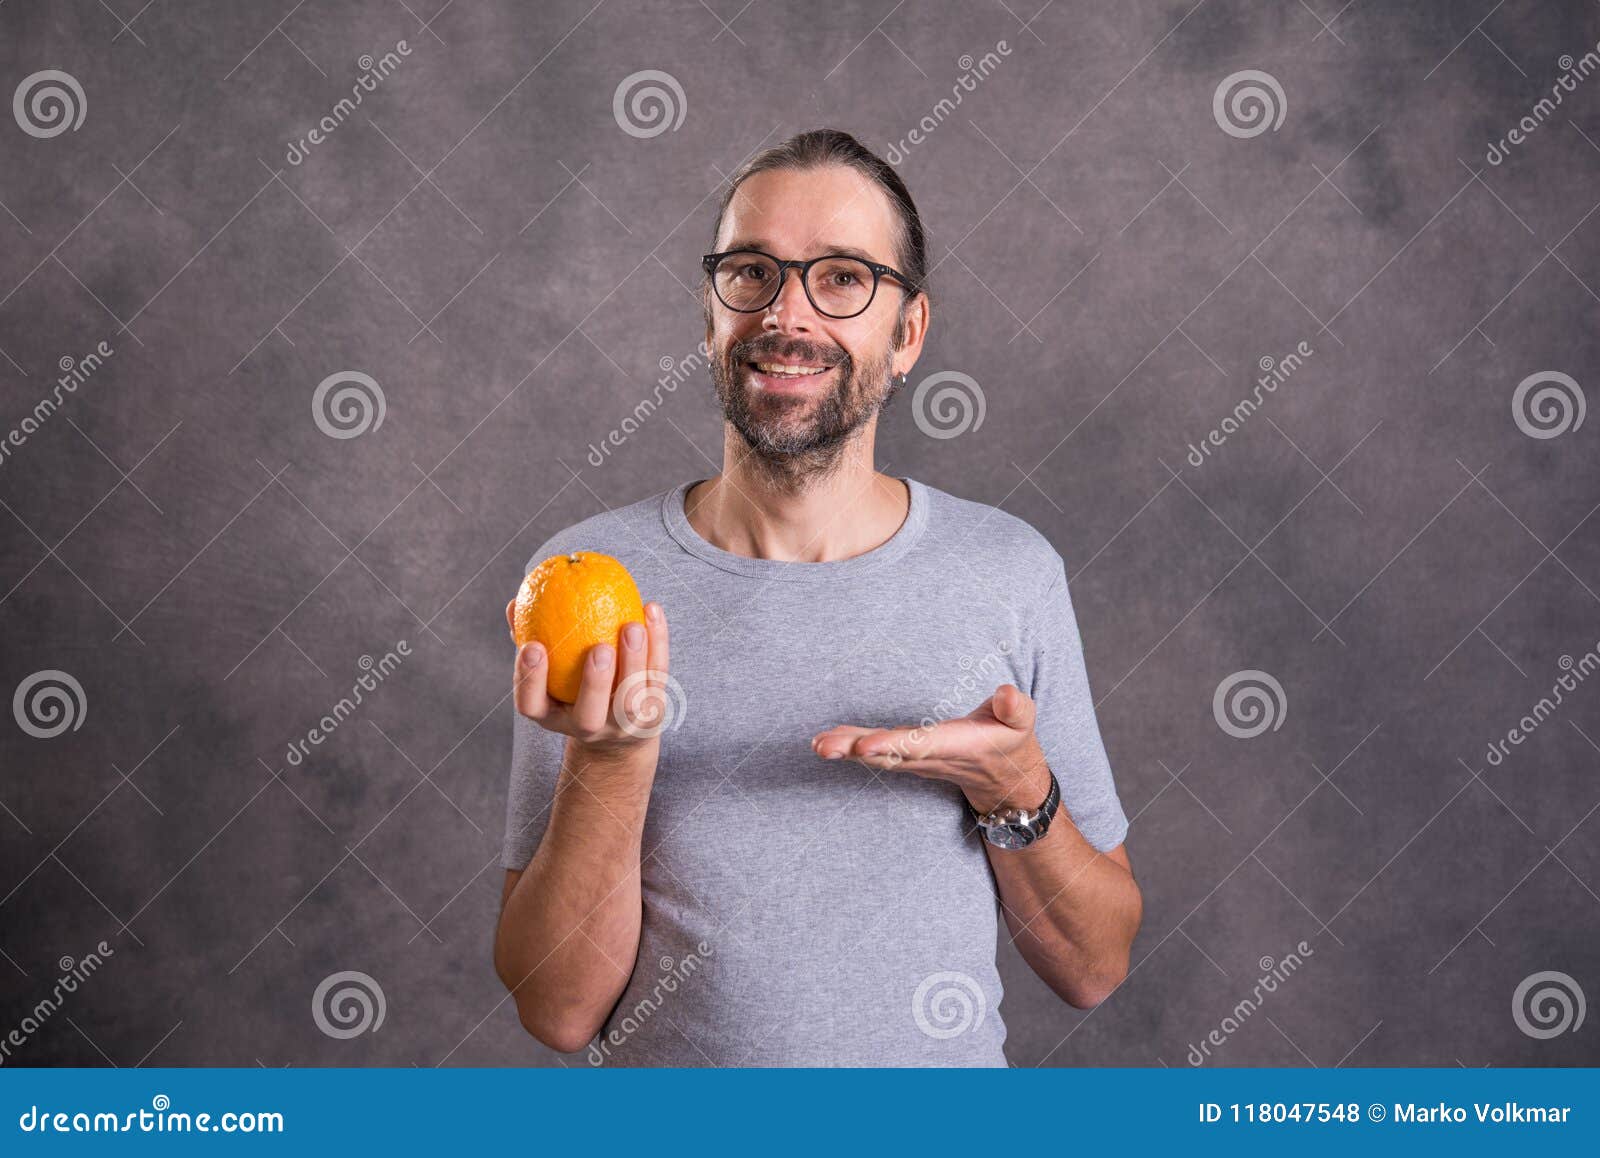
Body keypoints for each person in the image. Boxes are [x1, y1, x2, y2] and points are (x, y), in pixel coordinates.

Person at [494, 129, 1141, 1066]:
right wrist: (611, 761)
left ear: (908, 332)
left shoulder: (1009, 572)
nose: (786, 314)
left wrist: (1016, 795)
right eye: (752, 273)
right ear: (709, 315)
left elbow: (1095, 967)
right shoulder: (593, 584)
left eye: (841, 278)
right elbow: (556, 1010)